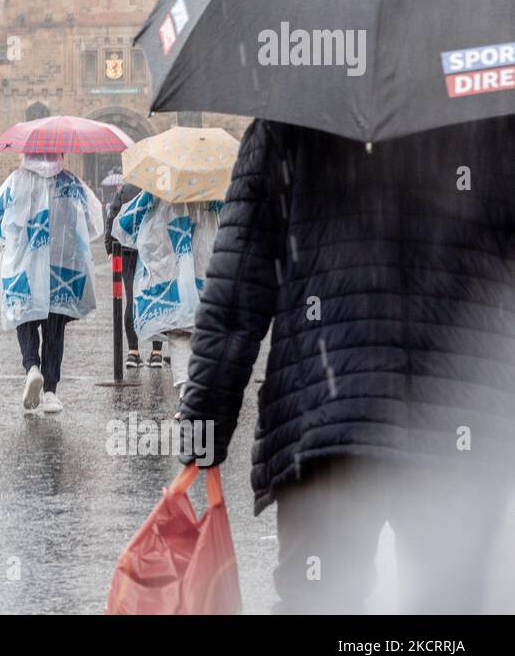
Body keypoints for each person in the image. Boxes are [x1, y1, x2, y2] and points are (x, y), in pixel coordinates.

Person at [178, 118, 515, 614]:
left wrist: (203, 429)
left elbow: (237, 285)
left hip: (325, 417)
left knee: (318, 600)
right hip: (460, 423)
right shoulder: (489, 112)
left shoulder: (291, 116)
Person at [0, 153, 104, 412]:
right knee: (54, 327)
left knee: (22, 316)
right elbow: (93, 223)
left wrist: (13, 240)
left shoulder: (16, 180)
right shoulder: (72, 183)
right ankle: (50, 393)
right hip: (61, 267)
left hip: (23, 264)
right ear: (60, 153)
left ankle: (32, 367)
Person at [110, 187, 220, 399]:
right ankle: (198, 385)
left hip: (168, 271)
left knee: (177, 331)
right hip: (204, 270)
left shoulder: (159, 185)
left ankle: (186, 390)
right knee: (200, 330)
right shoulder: (210, 189)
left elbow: (126, 224)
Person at [104, 180, 163, 369]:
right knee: (155, 297)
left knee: (131, 298)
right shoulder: (160, 185)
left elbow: (113, 215)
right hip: (154, 249)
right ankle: (156, 353)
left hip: (128, 249)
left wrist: (109, 245)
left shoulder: (127, 188)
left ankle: (133, 351)